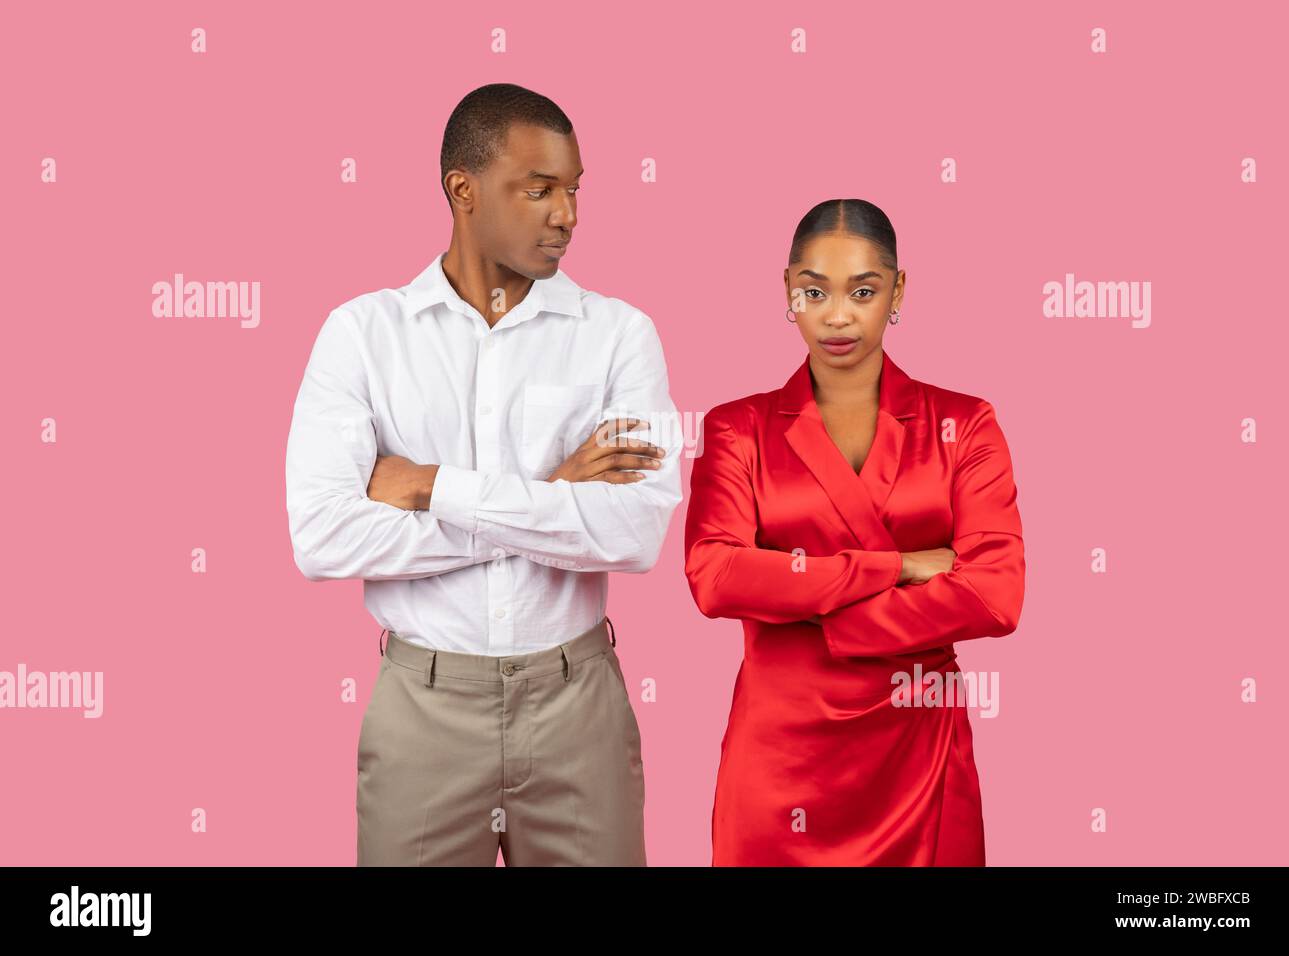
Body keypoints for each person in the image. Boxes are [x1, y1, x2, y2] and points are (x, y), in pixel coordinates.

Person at [285, 83, 683, 866]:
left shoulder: (620, 336)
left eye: (573, 190)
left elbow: (635, 535)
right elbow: (323, 539)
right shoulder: (362, 336)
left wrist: (432, 484)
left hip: (580, 713)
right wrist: (554, 498)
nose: (566, 214)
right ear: (462, 190)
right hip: (423, 713)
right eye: (538, 190)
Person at [683, 199, 1026, 866]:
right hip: (781, 759)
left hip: (916, 754)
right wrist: (895, 566)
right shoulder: (737, 427)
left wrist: (823, 621)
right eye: (814, 291)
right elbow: (716, 577)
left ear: (898, 291)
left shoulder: (965, 422)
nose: (837, 316)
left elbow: (995, 595)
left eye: (862, 292)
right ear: (788, 290)